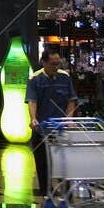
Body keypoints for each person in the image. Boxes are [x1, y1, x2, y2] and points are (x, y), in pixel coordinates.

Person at [26, 45, 77, 196]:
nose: (56, 67)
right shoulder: (35, 79)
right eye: (52, 64)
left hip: (61, 127)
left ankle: (66, 192)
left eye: (58, 63)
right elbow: (32, 101)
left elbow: (71, 100)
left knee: (64, 162)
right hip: (43, 127)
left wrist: (69, 119)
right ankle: (45, 192)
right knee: (42, 163)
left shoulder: (65, 77)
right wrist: (33, 118)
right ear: (44, 62)